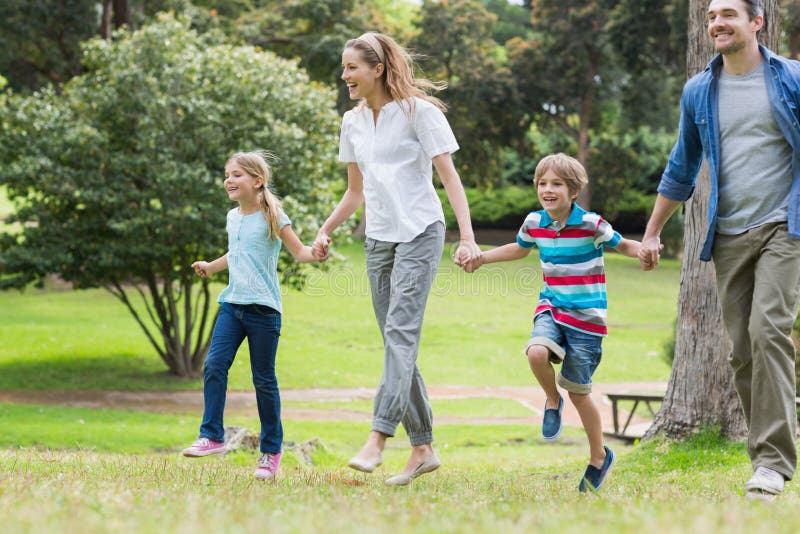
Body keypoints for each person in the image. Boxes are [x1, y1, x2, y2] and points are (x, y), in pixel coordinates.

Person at [639, 0, 800, 500]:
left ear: (758, 21)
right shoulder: (699, 91)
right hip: (728, 234)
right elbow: (681, 166)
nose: (716, 23)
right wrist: (650, 232)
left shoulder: (792, 78)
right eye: (711, 16)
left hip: (785, 225)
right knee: (742, 353)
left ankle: (773, 462)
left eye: (728, 13)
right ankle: (767, 452)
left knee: (768, 328)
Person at [311, 31, 480, 486]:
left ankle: (378, 437)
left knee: (400, 333)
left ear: (378, 69)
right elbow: (355, 191)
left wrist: (467, 236)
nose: (345, 75)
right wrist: (325, 231)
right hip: (379, 238)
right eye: (344, 67)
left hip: (422, 231)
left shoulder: (419, 114)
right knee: (394, 341)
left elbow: (450, 178)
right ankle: (423, 447)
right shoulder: (353, 122)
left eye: (352, 67)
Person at [462, 153, 643, 492]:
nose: (548, 189)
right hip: (552, 307)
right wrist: (481, 258)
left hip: (588, 321)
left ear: (573, 190)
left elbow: (624, 245)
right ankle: (551, 399)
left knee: (579, 392)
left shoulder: (591, 224)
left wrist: (645, 251)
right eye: (543, 183)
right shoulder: (534, 222)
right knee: (535, 353)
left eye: (556, 184)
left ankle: (598, 456)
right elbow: (519, 249)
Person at [181, 151, 322, 481]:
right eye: (227, 174)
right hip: (233, 305)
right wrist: (211, 266)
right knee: (214, 365)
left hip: (264, 310)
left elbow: (299, 252)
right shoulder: (233, 218)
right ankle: (212, 436)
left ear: (257, 181)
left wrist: (316, 253)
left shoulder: (274, 216)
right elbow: (237, 252)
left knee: (263, 380)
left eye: (237, 175)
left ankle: (271, 452)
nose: (229, 180)